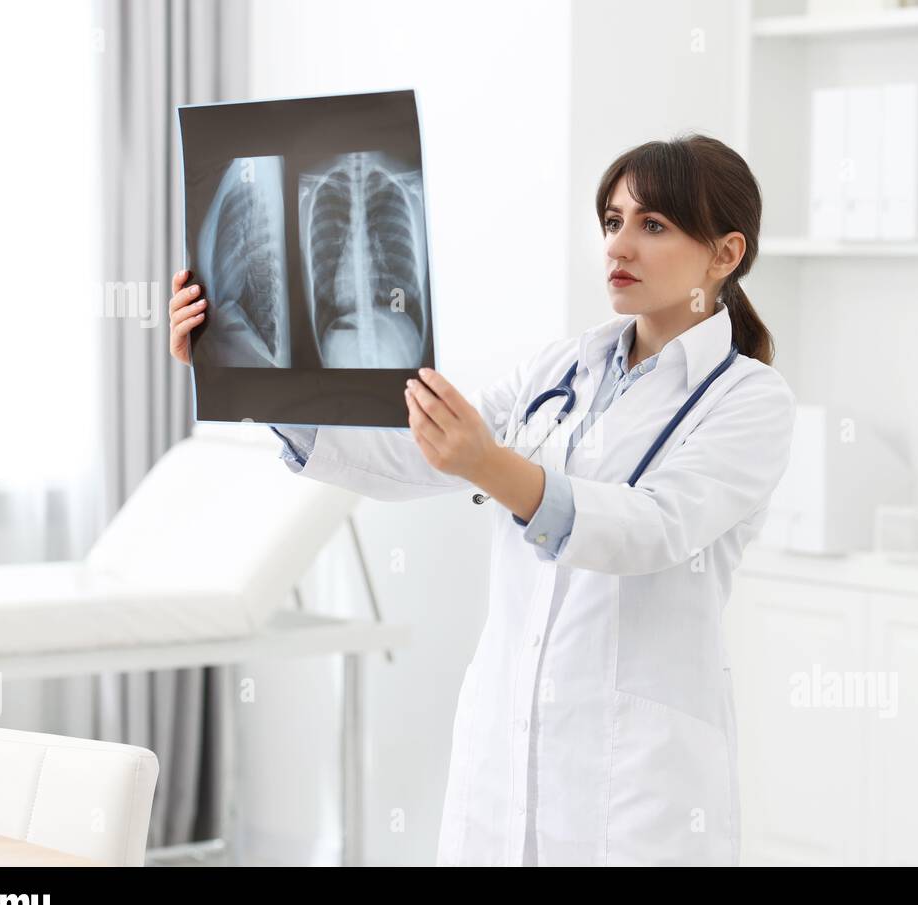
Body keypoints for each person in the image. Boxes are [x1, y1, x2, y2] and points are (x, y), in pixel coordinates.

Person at [168, 133, 796, 866]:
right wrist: (242, 368)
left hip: (638, 785)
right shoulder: (561, 367)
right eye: (612, 221)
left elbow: (651, 528)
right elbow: (415, 451)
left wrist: (489, 463)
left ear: (724, 254)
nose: (619, 245)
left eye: (652, 225)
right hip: (509, 747)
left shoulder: (750, 400)